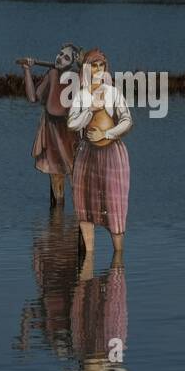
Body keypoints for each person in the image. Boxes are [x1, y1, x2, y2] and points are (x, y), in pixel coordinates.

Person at [67, 49, 132, 254]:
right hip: (87, 155)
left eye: (101, 66)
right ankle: (88, 260)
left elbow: (127, 120)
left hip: (112, 154)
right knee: (85, 206)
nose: (97, 70)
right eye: (93, 66)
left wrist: (107, 135)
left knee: (114, 206)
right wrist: (90, 110)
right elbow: (72, 124)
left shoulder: (113, 93)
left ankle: (118, 259)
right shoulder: (81, 95)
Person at [16, 44, 83, 207]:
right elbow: (33, 98)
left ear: (73, 62)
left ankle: (79, 223)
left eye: (66, 57)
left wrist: (82, 66)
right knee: (56, 176)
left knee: (75, 176)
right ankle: (56, 223)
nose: (60, 58)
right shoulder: (52, 74)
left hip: (69, 133)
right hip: (51, 131)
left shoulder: (77, 77)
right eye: (60, 54)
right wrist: (26, 70)